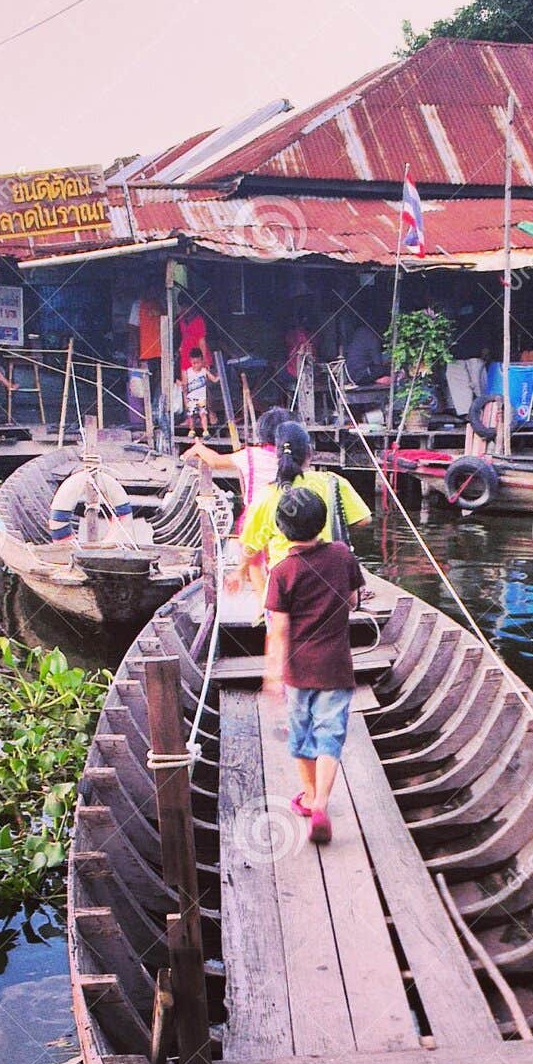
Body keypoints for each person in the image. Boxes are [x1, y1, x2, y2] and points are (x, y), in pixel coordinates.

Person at [264, 485, 363, 846]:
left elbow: (279, 630)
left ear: (281, 529)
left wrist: (273, 674)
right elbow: (352, 601)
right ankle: (321, 801)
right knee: (330, 737)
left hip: (297, 671)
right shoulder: (341, 555)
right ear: (322, 524)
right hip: (336, 668)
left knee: (302, 736)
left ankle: (308, 797)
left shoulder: (282, 571)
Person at [238, 420, 372, 580]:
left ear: (278, 455)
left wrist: (239, 571)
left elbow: (251, 545)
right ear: (309, 452)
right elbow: (364, 520)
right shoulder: (332, 482)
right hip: (331, 577)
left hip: (286, 579)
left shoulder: (266, 495)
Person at [182, 345, 217, 438]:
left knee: (203, 414)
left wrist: (220, 376)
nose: (196, 365)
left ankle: (205, 431)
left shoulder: (204, 371)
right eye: (194, 363)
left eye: (198, 362)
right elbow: (185, 387)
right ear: (190, 361)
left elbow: (214, 379)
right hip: (191, 398)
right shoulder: (188, 372)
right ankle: (192, 430)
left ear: (202, 361)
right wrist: (185, 399)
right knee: (191, 416)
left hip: (201, 398)